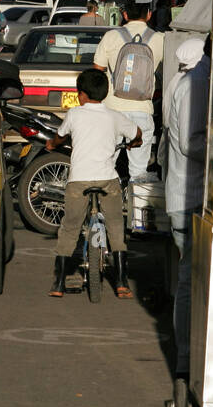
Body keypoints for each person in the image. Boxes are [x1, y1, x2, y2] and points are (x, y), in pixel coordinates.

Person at [45, 69, 141, 298]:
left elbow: (60, 136)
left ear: (82, 94)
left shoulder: (75, 114)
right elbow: (137, 132)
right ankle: (121, 283)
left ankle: (58, 284)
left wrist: (51, 144)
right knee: (116, 227)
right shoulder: (114, 116)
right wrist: (134, 142)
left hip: (79, 180)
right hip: (108, 180)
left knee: (70, 228)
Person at [165, 36, 210, 392]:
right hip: (189, 195)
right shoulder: (195, 83)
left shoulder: (186, 81)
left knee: (191, 280)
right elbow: (189, 142)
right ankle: (185, 361)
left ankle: (189, 358)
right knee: (190, 282)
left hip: (187, 193)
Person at [92, 0, 164, 194]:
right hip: (142, 111)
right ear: (149, 14)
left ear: (124, 14)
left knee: (105, 166)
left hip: (112, 110)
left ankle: (101, 219)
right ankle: (137, 219)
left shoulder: (111, 36)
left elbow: (97, 71)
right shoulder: (160, 40)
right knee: (139, 171)